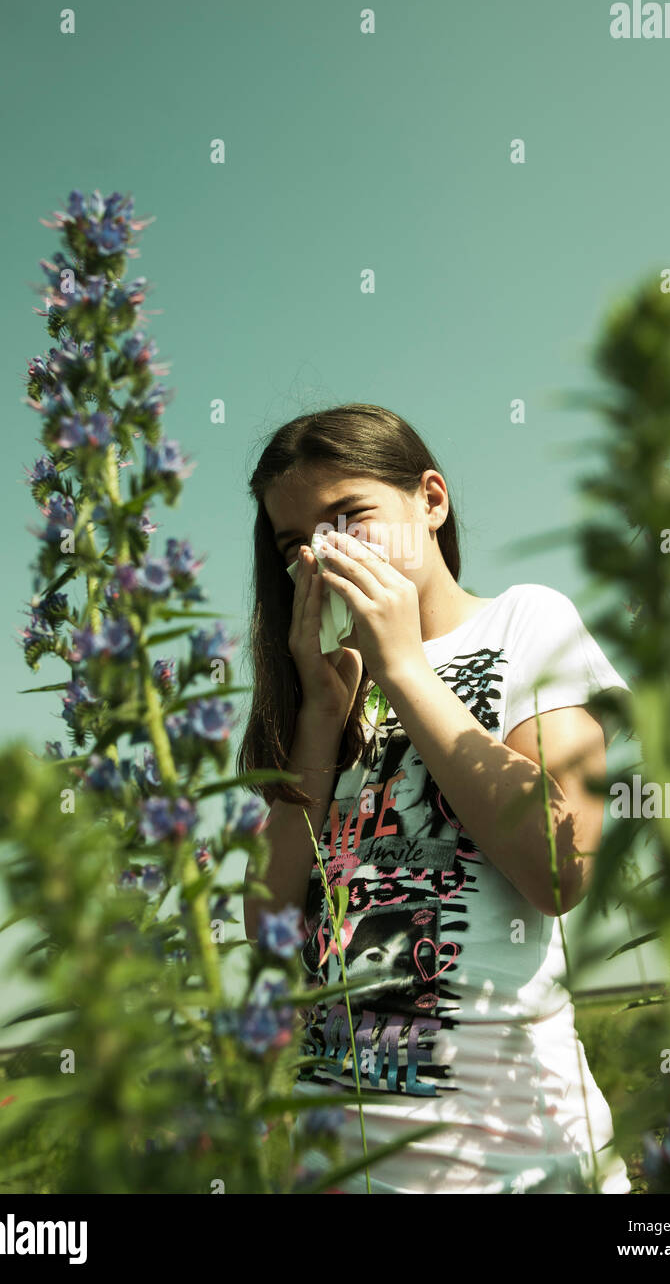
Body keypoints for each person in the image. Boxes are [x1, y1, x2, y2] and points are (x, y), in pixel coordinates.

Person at [238, 402, 632, 1194]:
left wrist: (408, 671)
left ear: (431, 500)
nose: (325, 551)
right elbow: (270, 932)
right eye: (295, 544)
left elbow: (561, 867)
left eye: (350, 515)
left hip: (514, 1161)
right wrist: (318, 719)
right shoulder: (322, 687)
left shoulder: (527, 620)